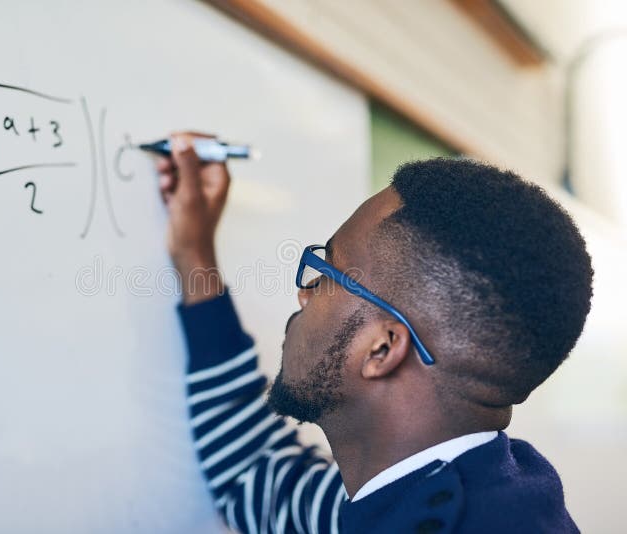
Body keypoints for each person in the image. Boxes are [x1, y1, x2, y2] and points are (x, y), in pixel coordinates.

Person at [157, 133, 592, 533]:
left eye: (327, 272)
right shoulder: (424, 496)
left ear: (382, 348)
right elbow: (253, 474)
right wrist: (194, 253)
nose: (303, 294)